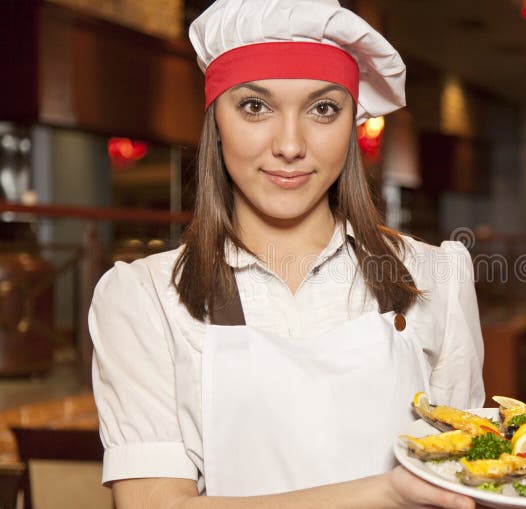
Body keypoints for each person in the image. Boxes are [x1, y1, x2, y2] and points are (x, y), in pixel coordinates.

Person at [88, 0, 485, 507]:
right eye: (256, 106)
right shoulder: (142, 298)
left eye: (323, 109)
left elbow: (465, 479)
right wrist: (387, 494)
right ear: (217, 121)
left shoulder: (440, 276)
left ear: (352, 124)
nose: (291, 144)